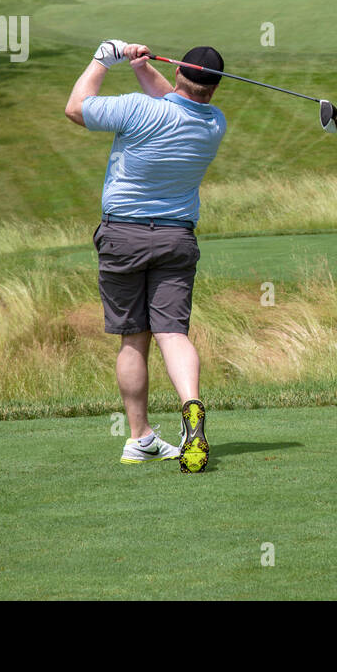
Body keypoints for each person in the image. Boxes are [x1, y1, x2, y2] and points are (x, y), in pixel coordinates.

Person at [63, 39, 227, 472]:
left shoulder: (138, 110)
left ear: (178, 73)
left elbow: (77, 108)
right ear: (214, 88)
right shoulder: (213, 123)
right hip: (176, 239)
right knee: (172, 333)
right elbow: (179, 103)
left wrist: (104, 57)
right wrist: (139, 67)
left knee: (133, 337)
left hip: (123, 238)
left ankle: (139, 437)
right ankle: (191, 406)